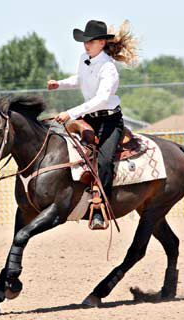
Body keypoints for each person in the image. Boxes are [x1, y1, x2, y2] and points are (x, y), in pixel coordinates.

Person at [48, 19, 137, 228]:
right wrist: (59, 84)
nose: (86, 44)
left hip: (109, 121)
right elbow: (80, 79)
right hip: (89, 118)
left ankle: (100, 208)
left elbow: (101, 99)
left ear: (102, 43)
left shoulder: (109, 68)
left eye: (91, 41)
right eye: (85, 41)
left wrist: (70, 113)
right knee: (64, 148)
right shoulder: (84, 58)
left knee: (104, 162)